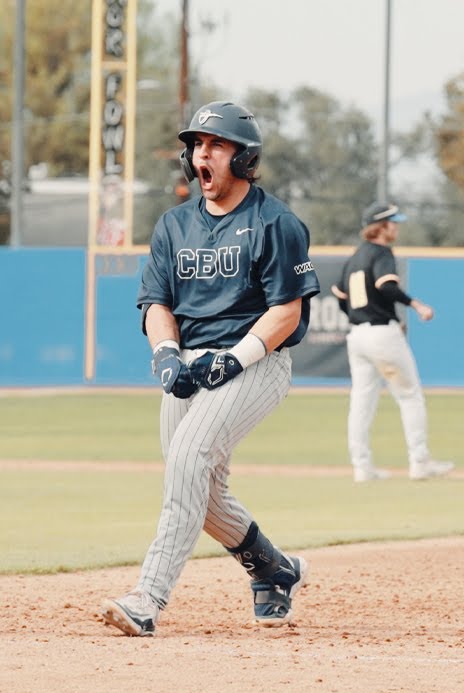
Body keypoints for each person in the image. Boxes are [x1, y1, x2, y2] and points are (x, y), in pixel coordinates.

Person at [101, 100, 321, 637]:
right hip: (192, 361)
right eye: (197, 145)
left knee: (187, 462)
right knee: (200, 491)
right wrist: (165, 355)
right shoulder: (174, 225)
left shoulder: (276, 222)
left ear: (243, 159)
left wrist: (236, 357)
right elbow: (156, 304)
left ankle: (147, 599)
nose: (202, 154)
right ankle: (273, 569)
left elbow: (286, 310)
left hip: (257, 361)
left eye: (216, 145)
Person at [331, 201, 454, 483]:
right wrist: (415, 304)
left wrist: (355, 315)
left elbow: (339, 294)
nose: (396, 227)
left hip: (358, 336)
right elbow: (385, 285)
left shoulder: (356, 256)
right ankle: (419, 462)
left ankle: (362, 467)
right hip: (382, 334)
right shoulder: (382, 252)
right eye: (392, 222)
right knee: (409, 395)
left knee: (362, 401)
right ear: (380, 226)